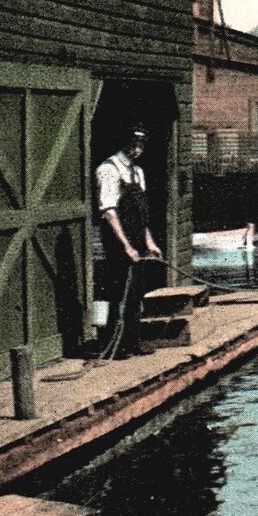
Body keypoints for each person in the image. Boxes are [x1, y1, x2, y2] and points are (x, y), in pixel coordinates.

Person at [95, 124, 162, 357]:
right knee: (119, 293)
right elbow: (108, 212)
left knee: (135, 294)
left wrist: (149, 242)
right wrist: (126, 246)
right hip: (118, 241)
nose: (137, 150)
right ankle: (115, 345)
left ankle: (133, 342)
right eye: (133, 145)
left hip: (137, 240)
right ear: (124, 143)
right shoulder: (108, 169)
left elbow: (141, 216)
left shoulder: (138, 172)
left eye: (141, 145)